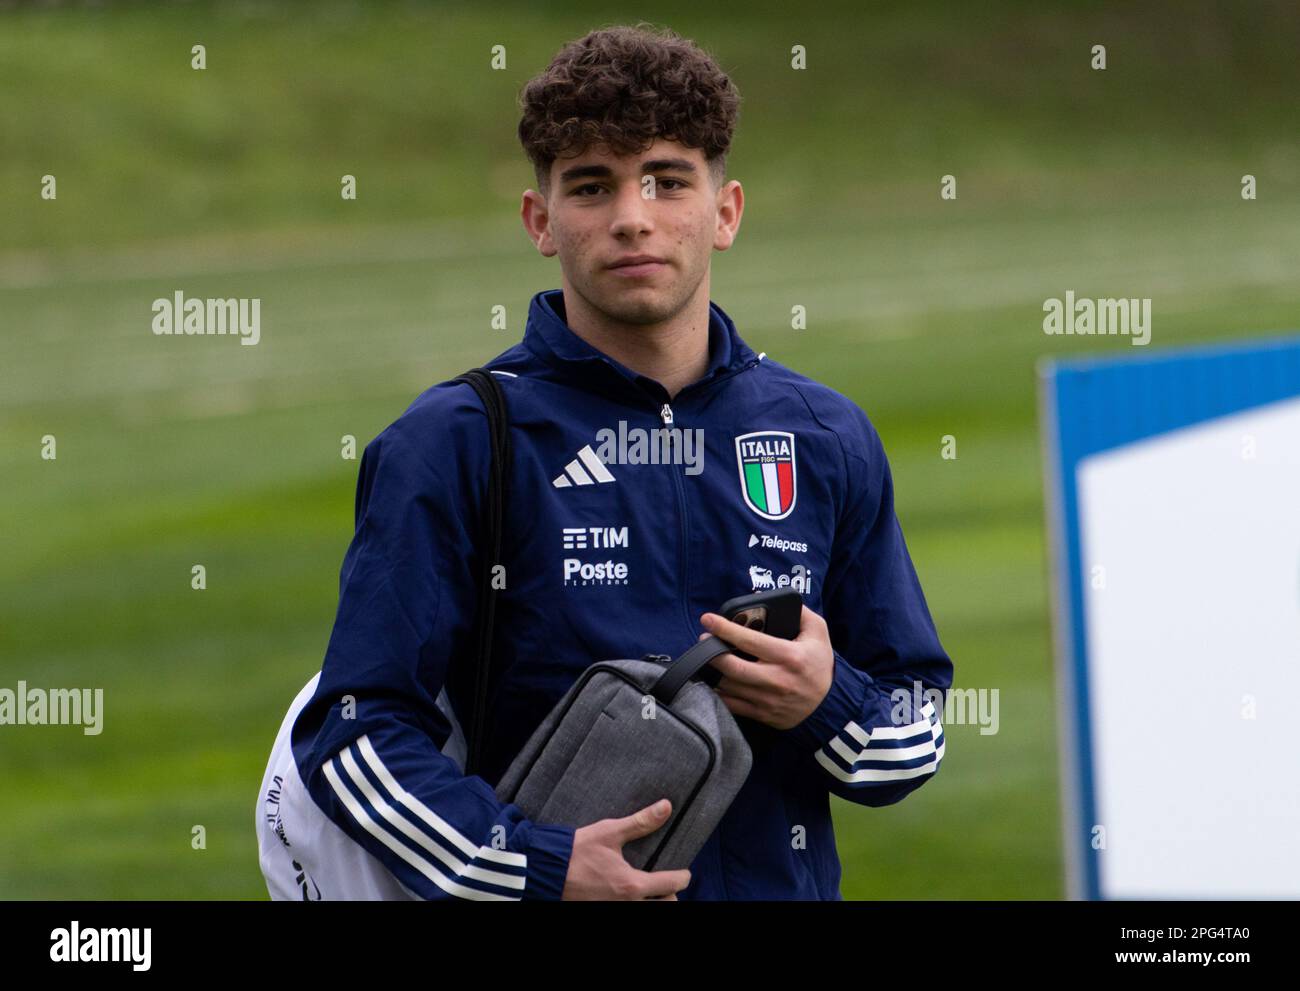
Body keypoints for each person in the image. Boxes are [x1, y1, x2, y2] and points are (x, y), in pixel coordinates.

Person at [257, 22, 952, 902]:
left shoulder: (824, 432)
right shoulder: (457, 440)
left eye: (667, 181)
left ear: (725, 210)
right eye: (593, 186)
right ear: (541, 221)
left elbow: (916, 727)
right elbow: (353, 738)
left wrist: (829, 700)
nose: (633, 216)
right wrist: (534, 863)